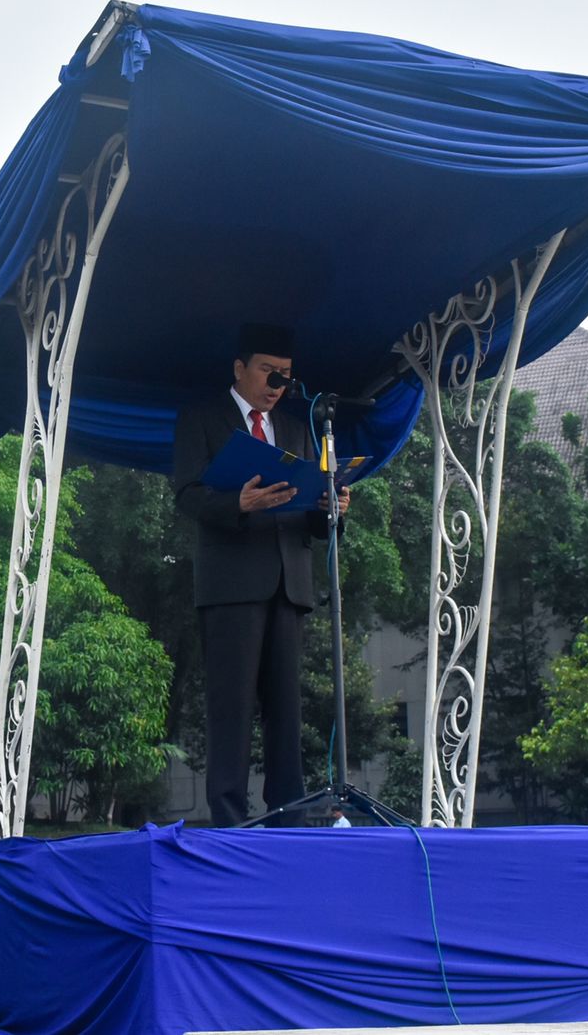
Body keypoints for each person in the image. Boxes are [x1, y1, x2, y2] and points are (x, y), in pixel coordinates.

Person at [172, 323, 349, 827]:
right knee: (231, 708)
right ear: (240, 368)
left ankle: (286, 815)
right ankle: (228, 819)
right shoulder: (202, 416)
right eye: (268, 373)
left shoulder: (296, 429)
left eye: (286, 376)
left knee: (286, 709)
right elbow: (185, 493)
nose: (277, 385)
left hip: (289, 583)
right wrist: (238, 503)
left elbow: (312, 519)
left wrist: (331, 506)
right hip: (230, 587)